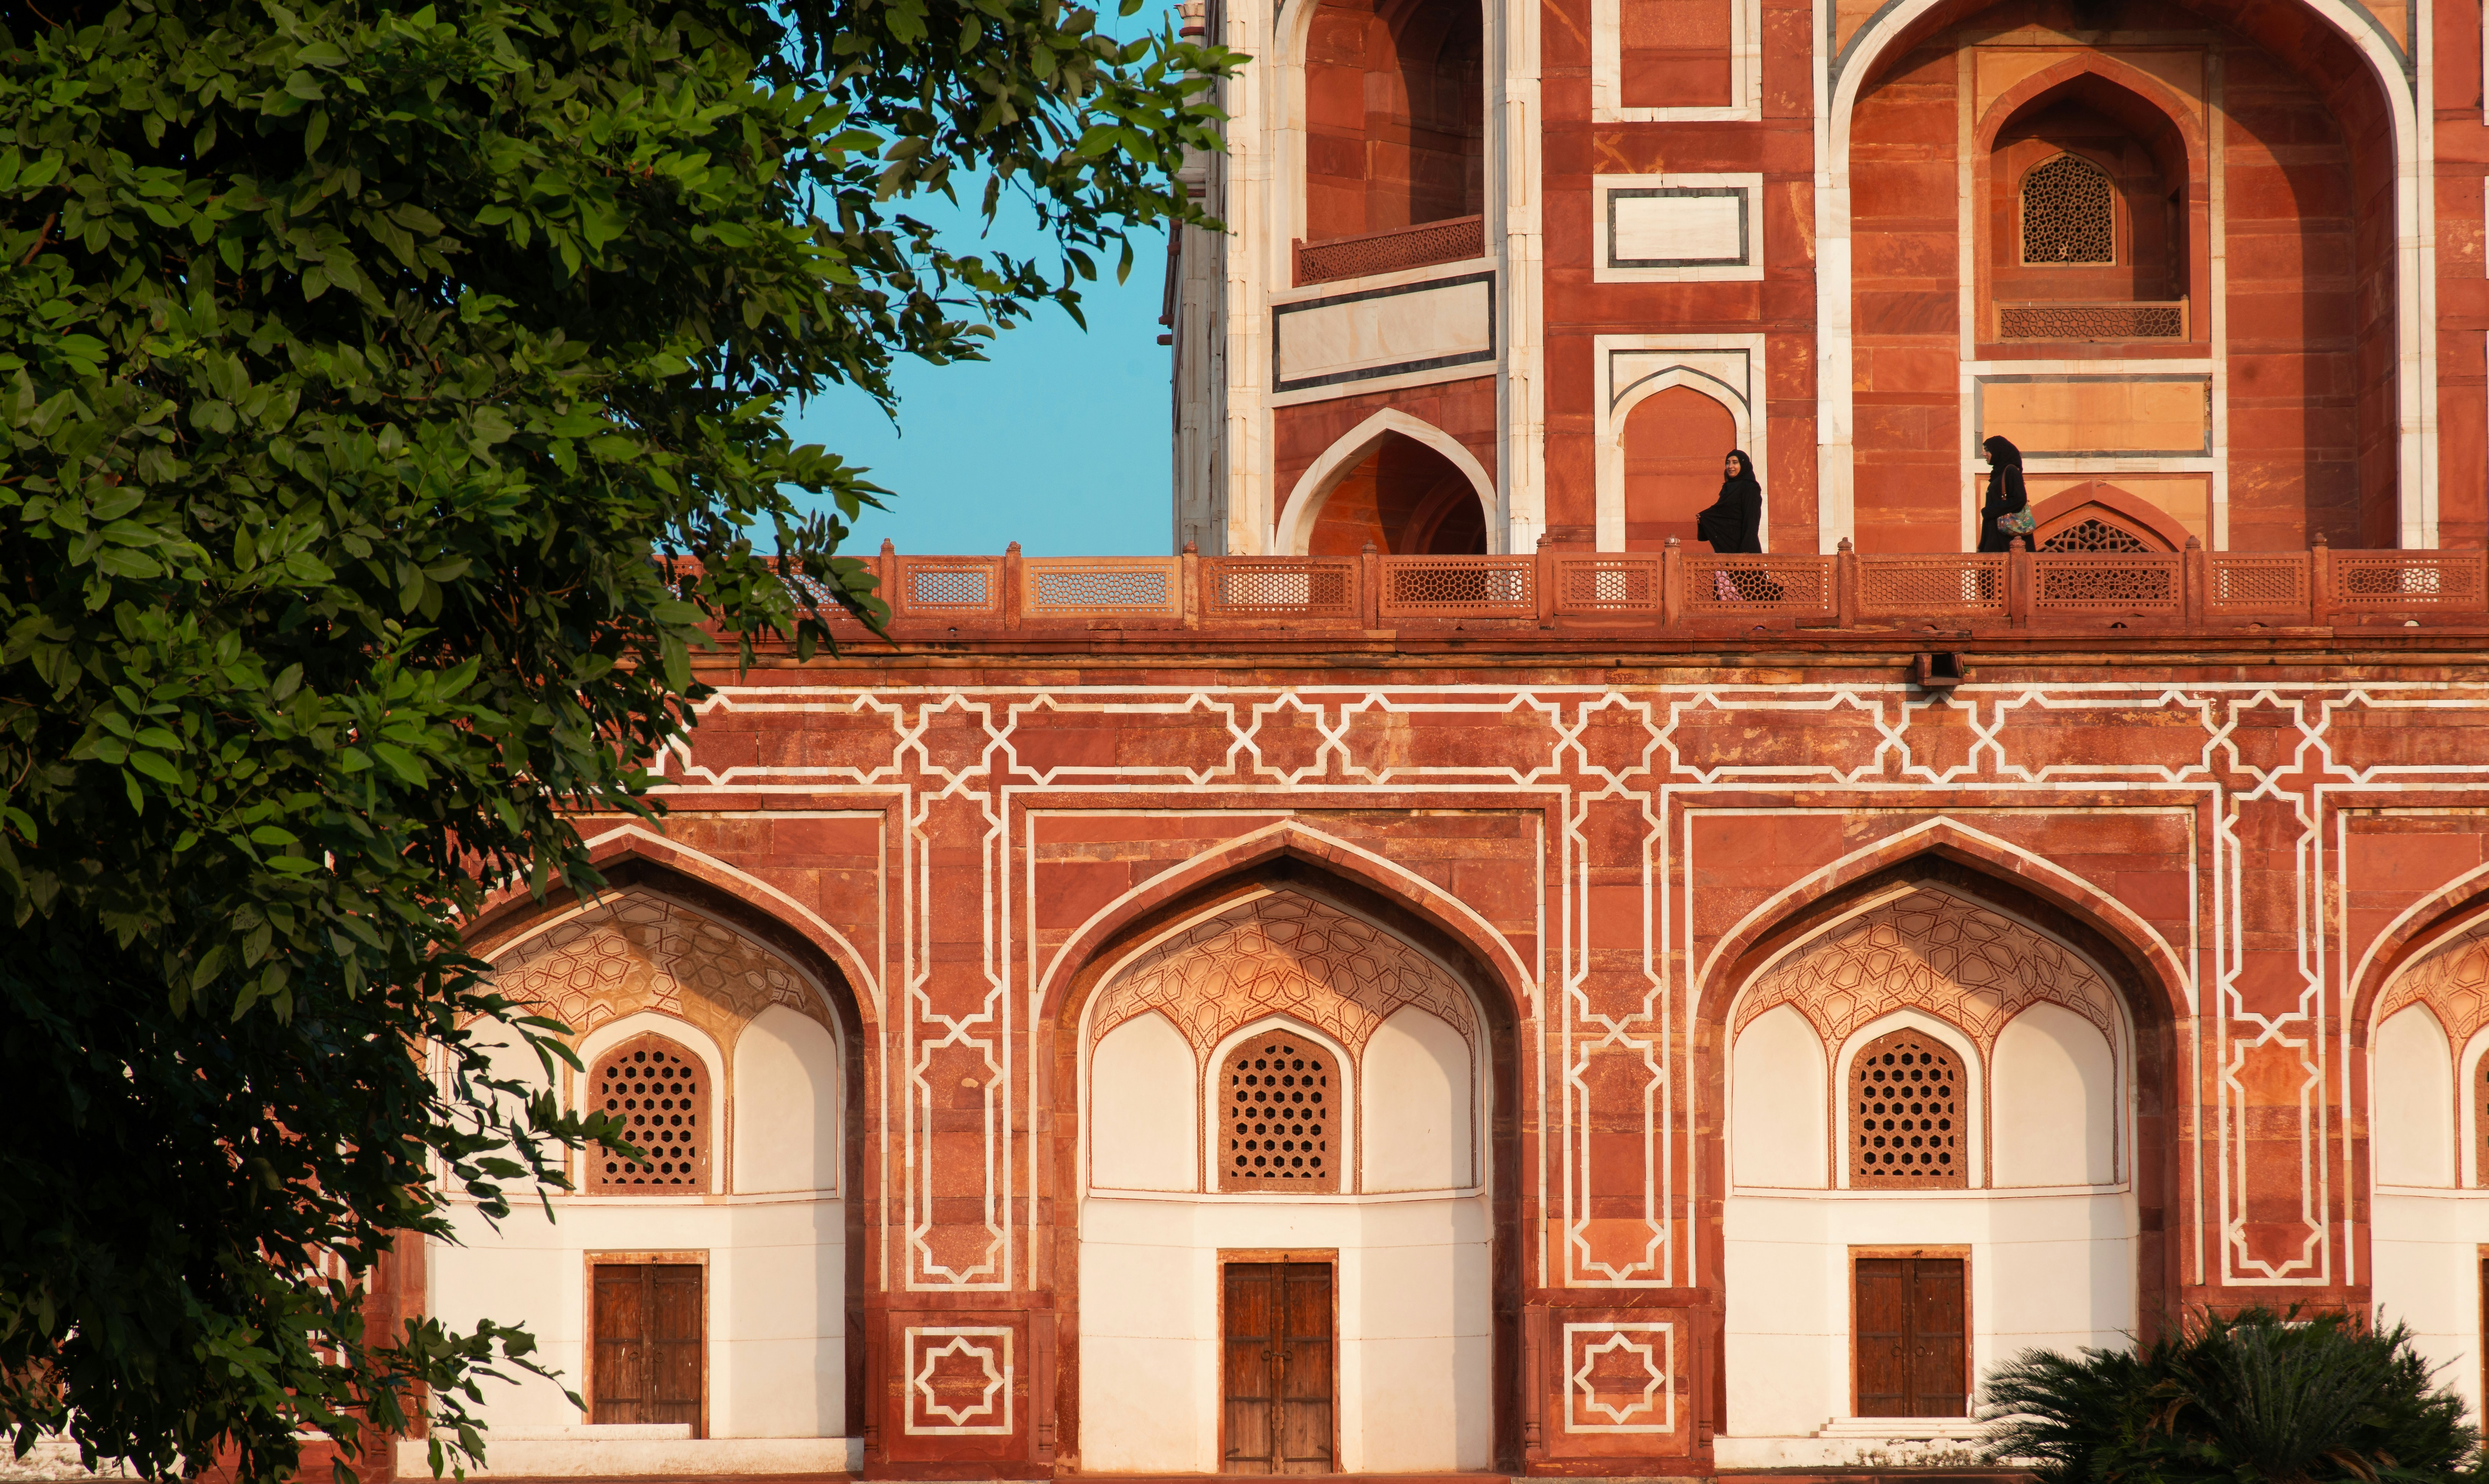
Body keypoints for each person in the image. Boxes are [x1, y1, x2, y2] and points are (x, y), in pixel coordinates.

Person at [1696, 449, 1762, 555]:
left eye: (1735, 463)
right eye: (1728, 463)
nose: (1730, 466)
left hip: (1744, 547)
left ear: (1743, 464)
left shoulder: (1750, 488)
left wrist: (1747, 549)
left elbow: (1752, 519)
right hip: (1727, 545)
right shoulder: (1727, 488)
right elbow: (1722, 514)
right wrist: (1704, 517)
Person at [1977, 435, 2030, 553]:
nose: (1984, 454)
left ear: (1998, 451)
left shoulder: (2011, 471)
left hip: (2006, 539)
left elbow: (2019, 499)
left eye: (1987, 450)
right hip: (1996, 536)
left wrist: (1989, 511)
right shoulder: (1998, 475)